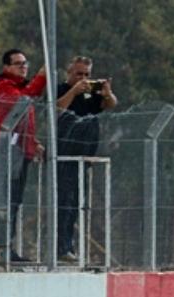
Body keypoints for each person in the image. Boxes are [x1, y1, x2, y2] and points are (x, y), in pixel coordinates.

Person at [0, 49, 48, 262]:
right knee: (6, 201)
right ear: (6, 67)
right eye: (18, 63)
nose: (23, 67)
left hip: (21, 151)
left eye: (25, 63)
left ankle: (5, 246)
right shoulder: (4, 88)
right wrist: (42, 77)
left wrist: (34, 142)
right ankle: (0, 249)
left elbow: (22, 123)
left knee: (14, 202)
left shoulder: (19, 89)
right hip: (7, 153)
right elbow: (22, 103)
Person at [55, 56, 116, 262]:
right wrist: (74, 91)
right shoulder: (62, 89)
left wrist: (107, 93)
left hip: (85, 155)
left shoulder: (90, 95)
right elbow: (57, 109)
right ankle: (60, 246)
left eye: (87, 75)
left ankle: (68, 244)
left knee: (76, 203)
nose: (83, 78)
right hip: (64, 153)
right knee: (64, 201)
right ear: (69, 73)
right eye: (78, 74)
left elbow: (110, 104)